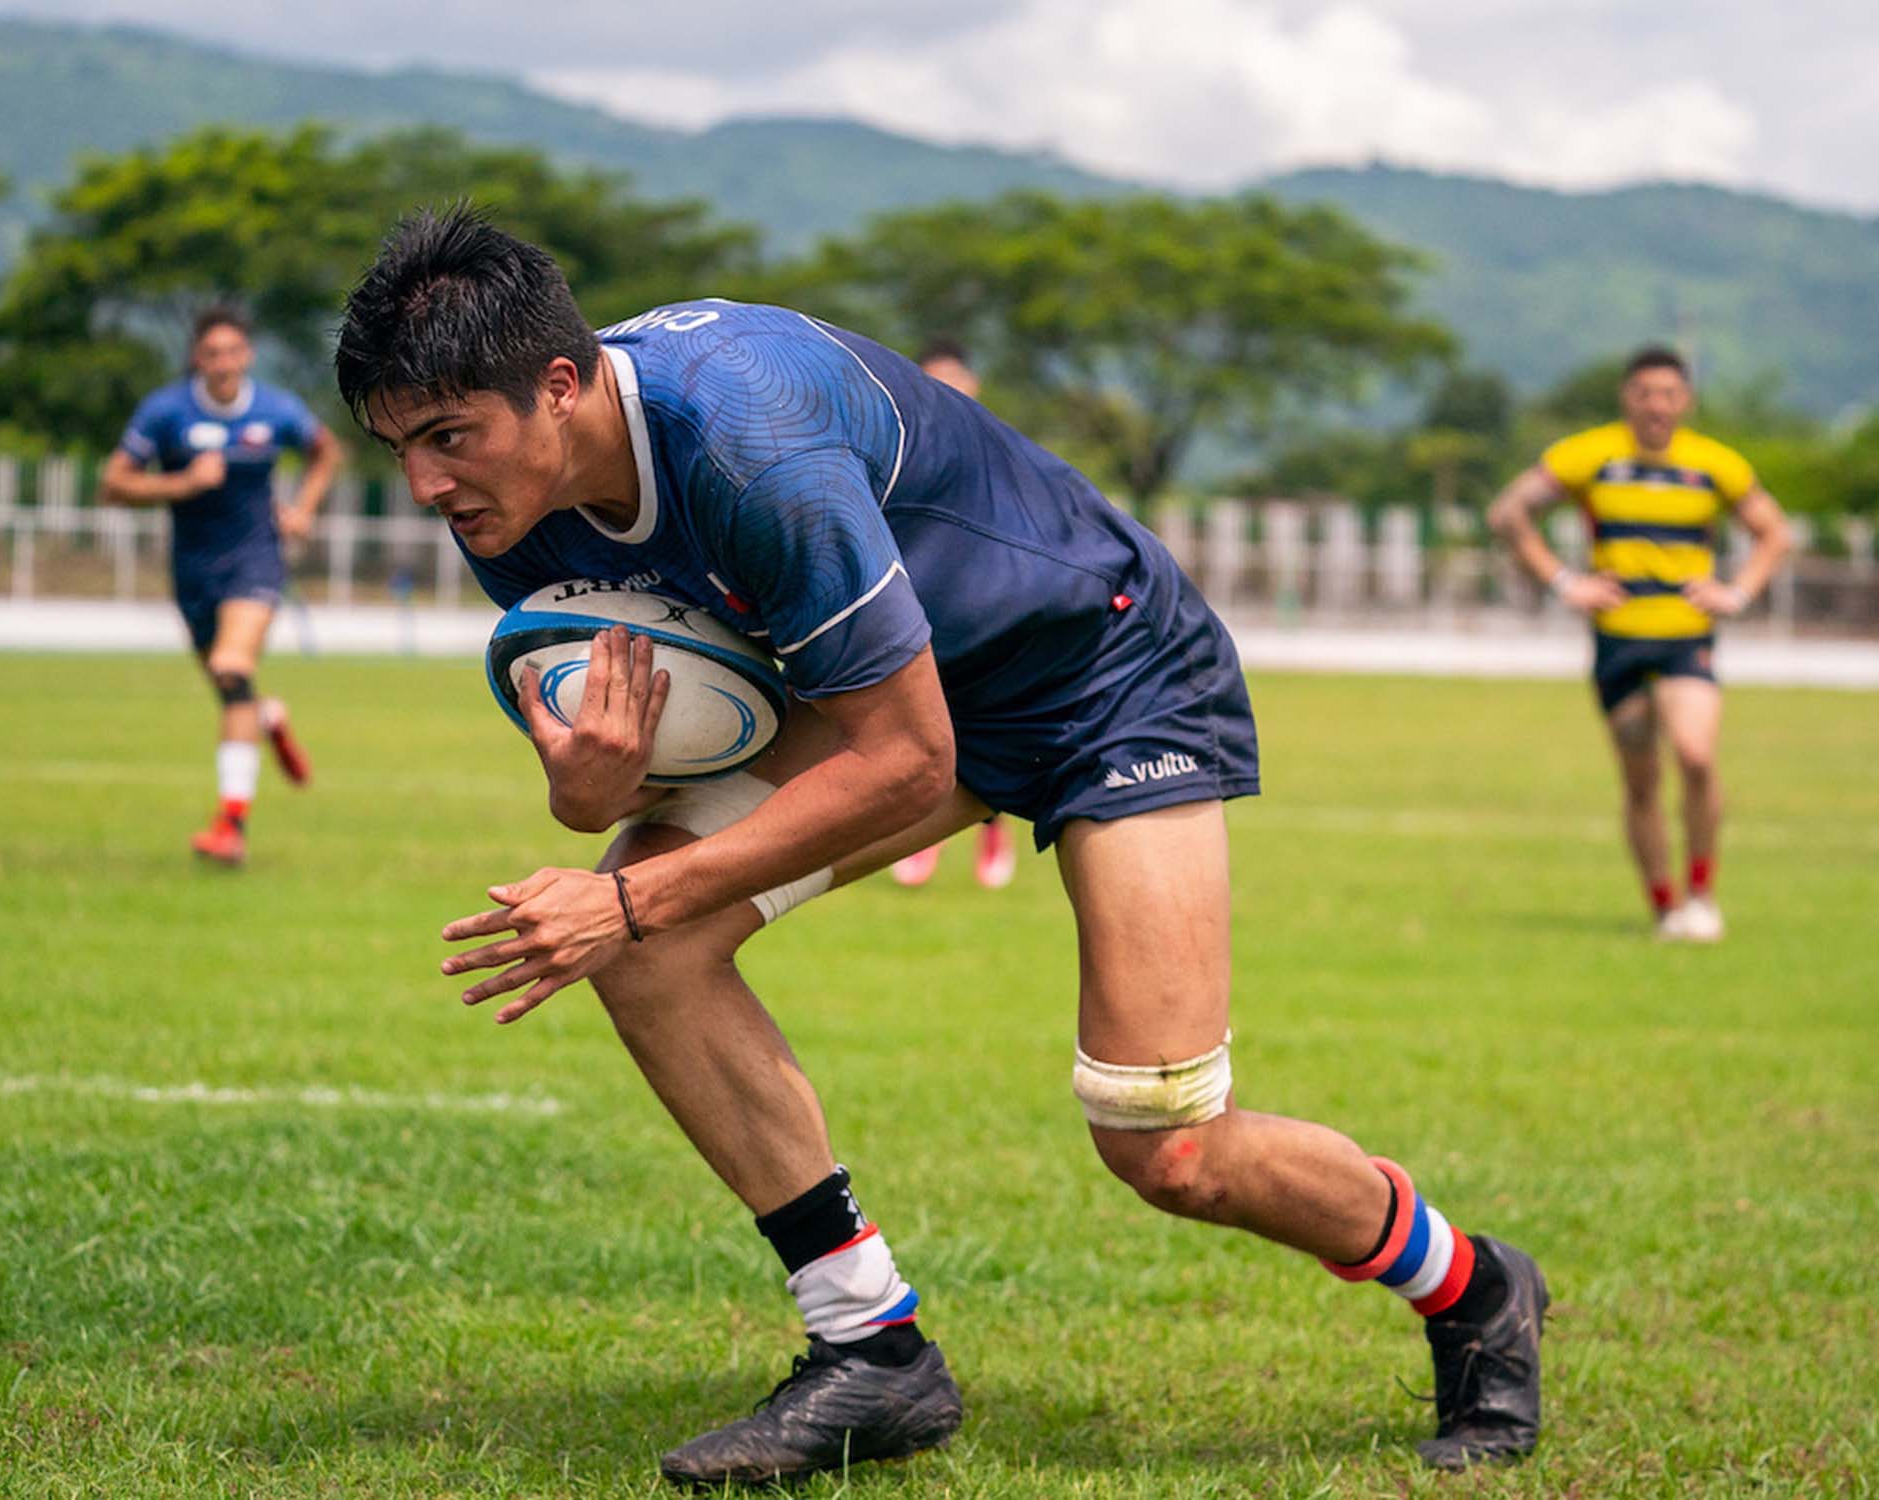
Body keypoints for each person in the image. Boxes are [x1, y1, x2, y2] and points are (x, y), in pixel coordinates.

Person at [336, 209, 1547, 1486]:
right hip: (891, 696)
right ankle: (874, 1352)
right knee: (650, 943)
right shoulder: (511, 510)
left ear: (561, 385)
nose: (424, 484)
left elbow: (906, 761)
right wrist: (591, 797)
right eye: (400, 448)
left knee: (1166, 1142)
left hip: (1100, 671)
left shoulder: (747, 442)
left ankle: (1474, 1287)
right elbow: (619, 785)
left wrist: (624, 897)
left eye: (448, 437)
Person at [1488, 347, 1793, 942]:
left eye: (1668, 393)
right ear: (1627, 398)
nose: (1657, 404)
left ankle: (1702, 894)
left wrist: (1738, 592)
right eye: (1645, 392)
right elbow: (1508, 513)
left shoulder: (1713, 464)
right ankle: (1665, 908)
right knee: (1641, 778)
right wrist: (1563, 581)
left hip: (1686, 639)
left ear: (1686, 401)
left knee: (1697, 754)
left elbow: (1774, 532)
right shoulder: (1590, 456)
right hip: (1618, 641)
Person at [100, 307, 342, 866]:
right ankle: (267, 719)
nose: (224, 363)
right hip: (193, 572)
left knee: (231, 667)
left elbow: (325, 451)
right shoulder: (165, 412)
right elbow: (113, 484)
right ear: (197, 359)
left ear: (248, 356)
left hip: (257, 562)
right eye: (213, 353)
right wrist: (182, 482)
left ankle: (230, 825)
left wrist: (303, 508)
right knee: (230, 686)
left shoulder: (276, 410)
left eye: (233, 351)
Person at [889, 338, 1016, 890]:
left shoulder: (1001, 449)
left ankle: (993, 825)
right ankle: (924, 833)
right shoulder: (904, 446)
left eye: (953, 378)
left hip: (989, 601)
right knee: (922, 717)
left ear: (974, 385)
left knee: (985, 717)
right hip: (923, 599)